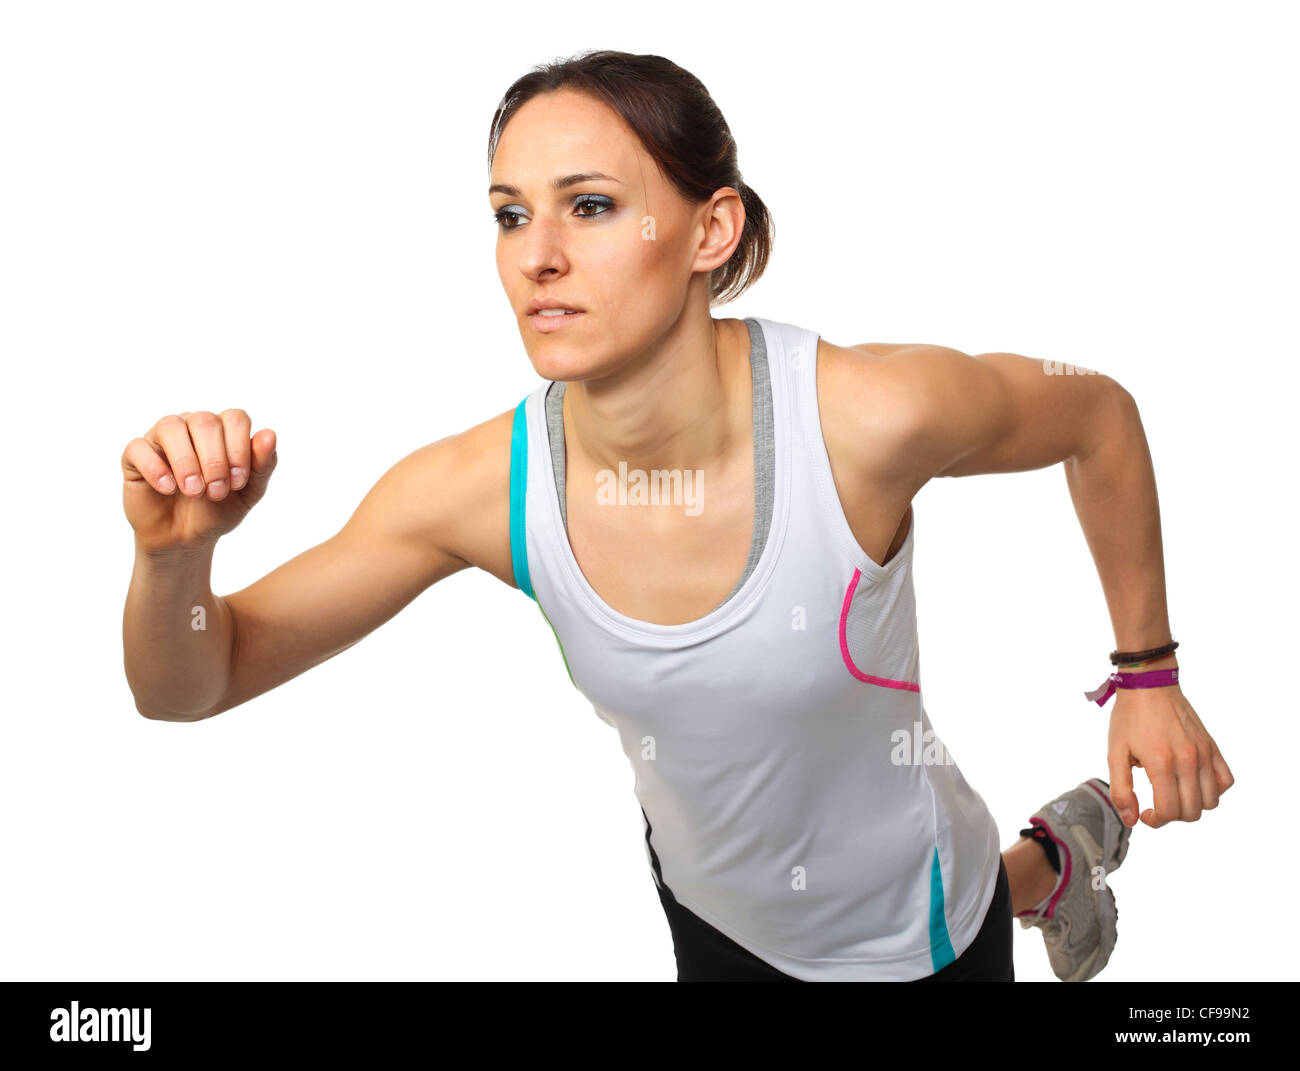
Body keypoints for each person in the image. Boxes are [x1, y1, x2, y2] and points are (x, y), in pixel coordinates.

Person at [121, 49, 1233, 982]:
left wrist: (1148, 676)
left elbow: (1098, 417)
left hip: (917, 929)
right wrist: (173, 565)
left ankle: (1051, 860)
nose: (536, 257)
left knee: (965, 895)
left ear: (710, 232)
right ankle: (1063, 850)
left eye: (590, 206)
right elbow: (194, 684)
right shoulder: (475, 490)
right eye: (511, 215)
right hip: (709, 910)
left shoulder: (866, 418)